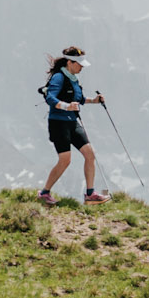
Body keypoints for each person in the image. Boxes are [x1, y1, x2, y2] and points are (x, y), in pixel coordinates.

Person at [38, 47, 108, 206]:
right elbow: (50, 98)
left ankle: (90, 195)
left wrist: (95, 100)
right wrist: (66, 106)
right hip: (58, 124)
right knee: (65, 160)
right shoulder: (58, 77)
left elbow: (80, 99)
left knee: (90, 154)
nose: (82, 67)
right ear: (69, 62)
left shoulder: (74, 79)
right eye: (79, 64)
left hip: (72, 123)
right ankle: (44, 193)